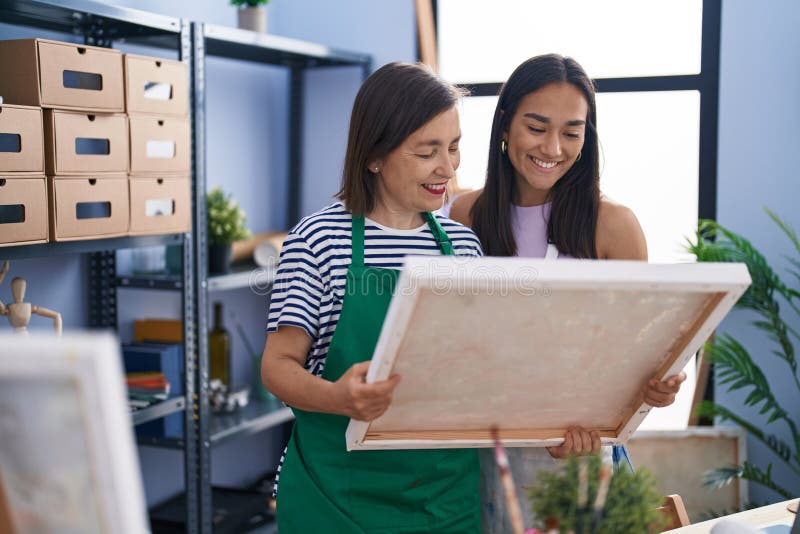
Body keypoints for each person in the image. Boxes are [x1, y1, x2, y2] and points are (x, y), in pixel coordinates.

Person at [449, 53, 687, 531]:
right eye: (536, 127)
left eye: (572, 132)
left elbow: (634, 358)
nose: (553, 147)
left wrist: (655, 387)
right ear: (504, 124)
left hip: (582, 458)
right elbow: (452, 346)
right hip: (484, 457)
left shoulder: (614, 225)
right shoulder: (462, 216)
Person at [261, 62, 483, 533]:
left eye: (453, 147)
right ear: (375, 156)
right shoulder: (319, 241)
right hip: (339, 500)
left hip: (446, 502)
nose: (447, 168)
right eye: (427, 151)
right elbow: (277, 366)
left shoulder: (463, 247)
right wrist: (337, 397)